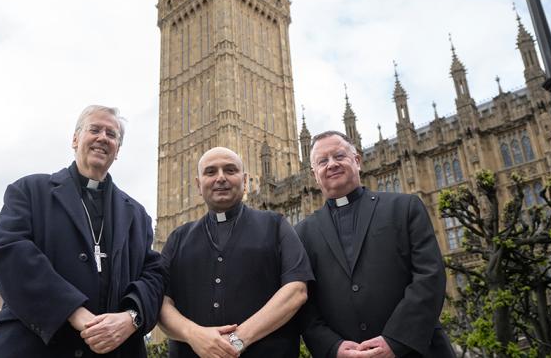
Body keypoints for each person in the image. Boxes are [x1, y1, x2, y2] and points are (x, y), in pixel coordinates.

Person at [0, 105, 164, 358]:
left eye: (112, 134)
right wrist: (73, 311)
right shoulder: (29, 190)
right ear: (75, 139)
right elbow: (12, 254)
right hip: (36, 347)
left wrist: (131, 317)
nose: (103, 137)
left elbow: (154, 274)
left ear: (117, 151)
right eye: (95, 129)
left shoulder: (137, 214)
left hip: (114, 350)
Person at [295, 131, 454, 358]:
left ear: (357, 161)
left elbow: (430, 276)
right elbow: (305, 304)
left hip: (415, 351)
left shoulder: (403, 207)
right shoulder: (302, 233)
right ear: (314, 175)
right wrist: (333, 347)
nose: (332, 165)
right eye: (323, 161)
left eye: (339, 156)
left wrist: (396, 340)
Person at [159, 147, 313, 358]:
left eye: (230, 170)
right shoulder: (178, 238)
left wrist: (238, 339)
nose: (220, 178)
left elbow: (296, 290)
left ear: (245, 180)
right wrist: (194, 335)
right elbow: (160, 303)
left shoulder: (275, 225)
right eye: (210, 172)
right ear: (198, 185)